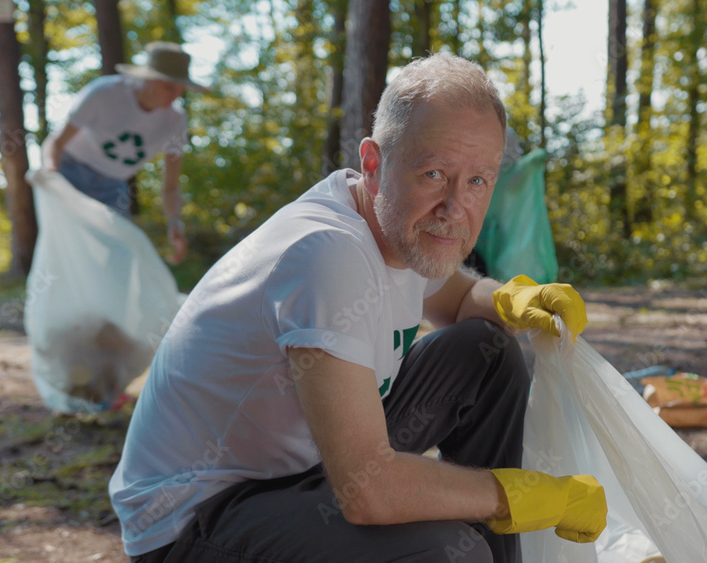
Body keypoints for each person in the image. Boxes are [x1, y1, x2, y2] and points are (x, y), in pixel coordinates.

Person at [108, 53, 608, 563]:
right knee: (452, 553)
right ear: (374, 164)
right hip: (195, 522)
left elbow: (458, 300)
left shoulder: (395, 225)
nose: (454, 207)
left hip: (298, 469)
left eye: (477, 181)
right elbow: (369, 492)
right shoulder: (328, 253)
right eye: (434, 173)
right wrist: (524, 495)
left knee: (485, 349)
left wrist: (515, 299)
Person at [43, 41, 210, 265]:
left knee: (119, 255)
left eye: (181, 89)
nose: (176, 95)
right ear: (149, 79)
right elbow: (56, 142)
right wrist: (51, 178)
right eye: (169, 87)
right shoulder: (104, 93)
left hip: (114, 186)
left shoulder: (176, 121)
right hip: (71, 172)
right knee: (69, 248)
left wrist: (174, 224)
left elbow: (170, 186)